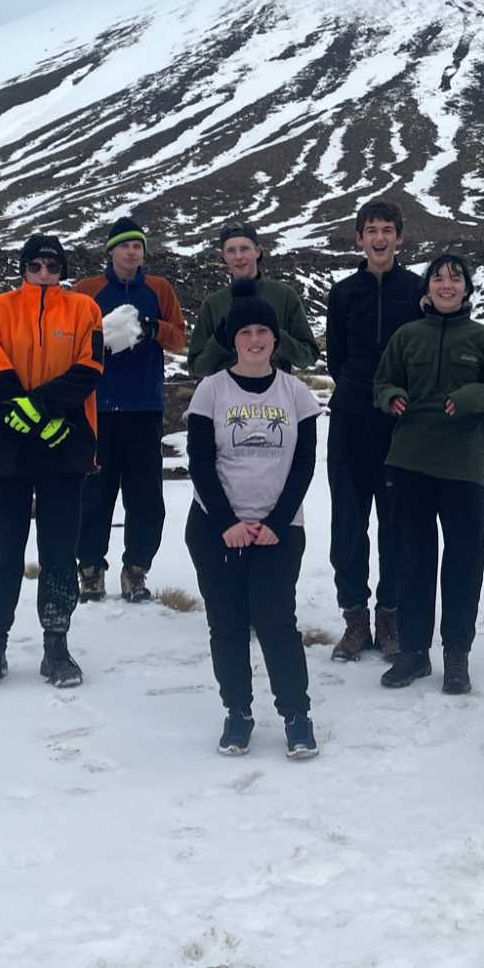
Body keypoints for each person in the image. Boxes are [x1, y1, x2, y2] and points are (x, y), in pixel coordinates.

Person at [184, 278, 323, 759]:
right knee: (226, 624)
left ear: (276, 340)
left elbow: (303, 464)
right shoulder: (211, 391)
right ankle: (237, 712)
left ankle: (296, 714)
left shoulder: (297, 395)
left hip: (278, 531)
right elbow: (200, 461)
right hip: (216, 527)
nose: (255, 340)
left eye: (264, 332)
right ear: (233, 340)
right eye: (245, 333)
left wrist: (276, 524)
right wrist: (227, 522)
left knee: (276, 621)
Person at [372, 252, 484, 694]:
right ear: (428, 288)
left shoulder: (483, 338)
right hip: (410, 463)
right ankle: (414, 653)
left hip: (464, 468)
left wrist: (473, 395)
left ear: (467, 290)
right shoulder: (407, 336)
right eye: (438, 278)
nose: (446, 285)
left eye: (455, 279)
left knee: (463, 562)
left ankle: (457, 654)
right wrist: (391, 395)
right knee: (413, 560)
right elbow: (381, 382)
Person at [0, 234, 104, 691]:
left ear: (63, 269)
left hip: (65, 444)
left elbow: (90, 367)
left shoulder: (85, 310)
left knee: (60, 549)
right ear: (23, 268)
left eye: (52, 266)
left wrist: (44, 412)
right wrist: (27, 418)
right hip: (5, 446)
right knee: (1, 549)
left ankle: (56, 644)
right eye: (36, 265)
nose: (44, 273)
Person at [323, 198, 425, 661]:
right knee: (348, 521)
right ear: (359, 237)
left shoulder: (416, 289)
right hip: (350, 417)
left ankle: (389, 617)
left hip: (399, 421)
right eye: (371, 229)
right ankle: (354, 619)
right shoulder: (343, 292)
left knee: (397, 522)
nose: (379, 237)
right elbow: (337, 357)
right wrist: (360, 388)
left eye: (387, 229)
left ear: (399, 237)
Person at [72, 215, 188, 603]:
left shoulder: (159, 288)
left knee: (144, 494)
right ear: (111, 251)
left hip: (144, 406)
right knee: (94, 491)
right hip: (97, 407)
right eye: (124, 245)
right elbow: (70, 338)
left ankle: (136, 571)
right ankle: (90, 570)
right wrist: (97, 342)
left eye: (137, 245)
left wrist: (155, 329)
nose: (132, 251)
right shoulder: (88, 290)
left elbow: (179, 337)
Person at [186, 222, 320, 379]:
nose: (238, 257)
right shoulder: (213, 304)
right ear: (223, 256)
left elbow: (307, 357)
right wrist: (219, 342)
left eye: (244, 249)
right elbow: (196, 368)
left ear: (257, 251)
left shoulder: (284, 296)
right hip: (226, 397)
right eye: (231, 250)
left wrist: (277, 337)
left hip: (275, 396)